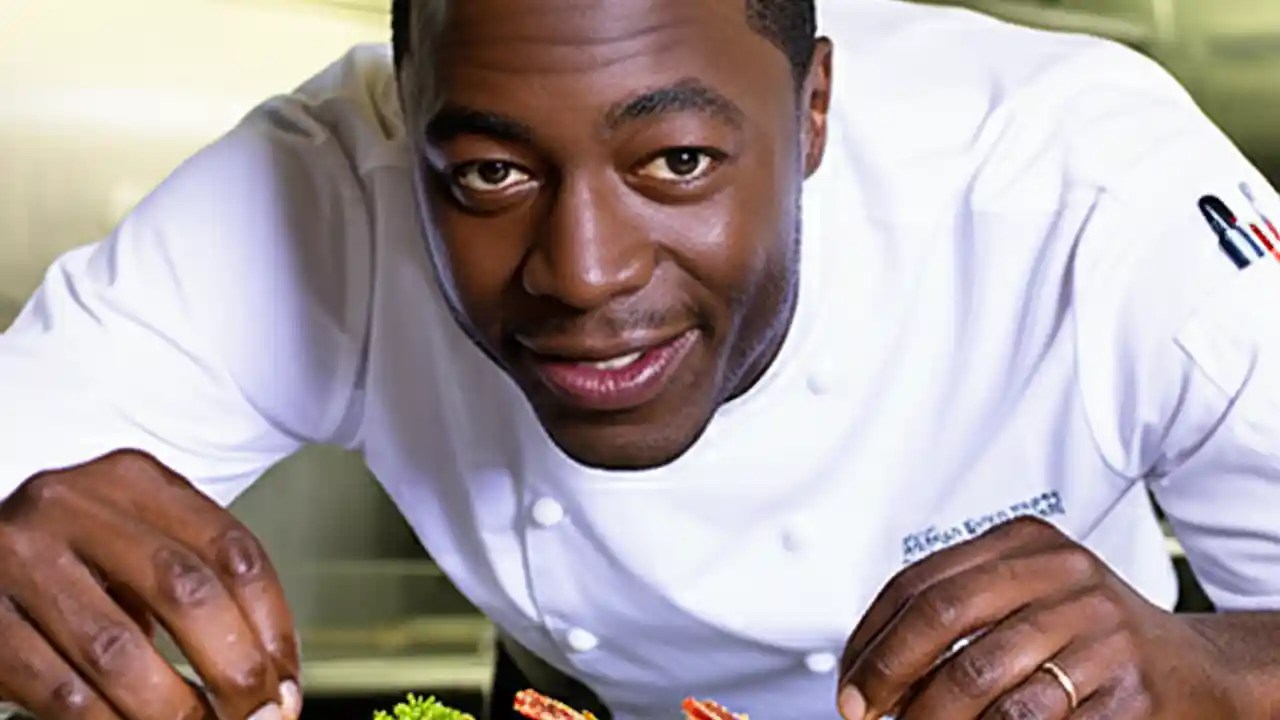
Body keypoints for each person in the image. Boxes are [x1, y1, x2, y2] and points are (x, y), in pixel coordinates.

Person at [0, 0, 1278, 718]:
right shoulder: (319, 192)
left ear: (812, 111)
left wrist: (1208, 674)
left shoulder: (1091, 189)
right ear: (407, 102)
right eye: (489, 173)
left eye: (676, 162)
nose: (584, 272)